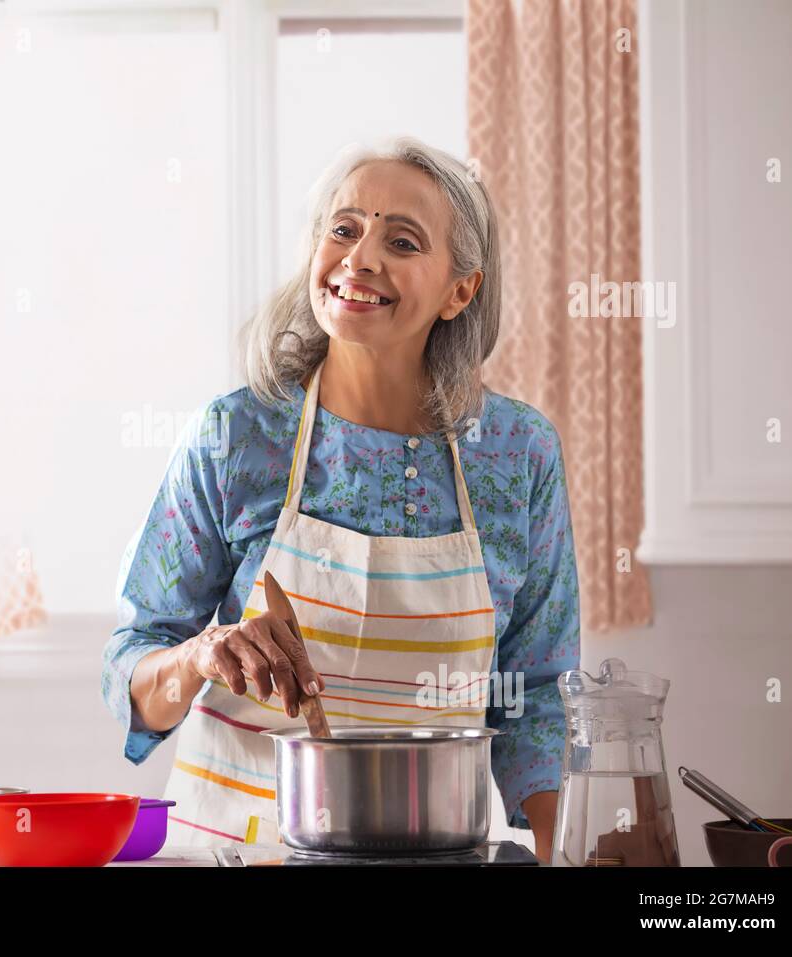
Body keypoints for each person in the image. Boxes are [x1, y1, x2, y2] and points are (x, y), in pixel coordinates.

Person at [102, 137, 580, 861]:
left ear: (461, 290)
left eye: (402, 240)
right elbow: (130, 672)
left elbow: (537, 697)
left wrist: (562, 856)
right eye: (345, 228)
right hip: (237, 848)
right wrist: (202, 653)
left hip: (431, 851)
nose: (360, 257)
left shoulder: (516, 455)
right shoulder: (238, 435)